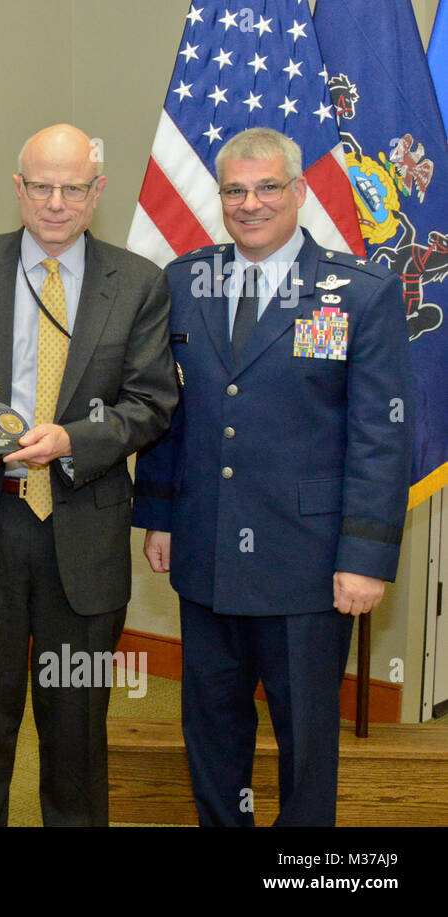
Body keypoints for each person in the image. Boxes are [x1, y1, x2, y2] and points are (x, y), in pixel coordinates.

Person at [0, 123, 178, 826]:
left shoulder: (137, 282)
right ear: (19, 189)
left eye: (73, 188)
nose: (56, 203)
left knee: (76, 738)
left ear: (97, 193)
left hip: (81, 533)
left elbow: (152, 402)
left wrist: (70, 440)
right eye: (42, 187)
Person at [133, 127, 412, 826]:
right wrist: (159, 512)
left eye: (266, 187)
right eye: (235, 190)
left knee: (306, 745)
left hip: (309, 566)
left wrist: (366, 556)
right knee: (212, 732)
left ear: (300, 191)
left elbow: (381, 434)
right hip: (206, 552)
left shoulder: (360, 293)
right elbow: (172, 408)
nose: (250, 203)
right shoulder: (185, 282)